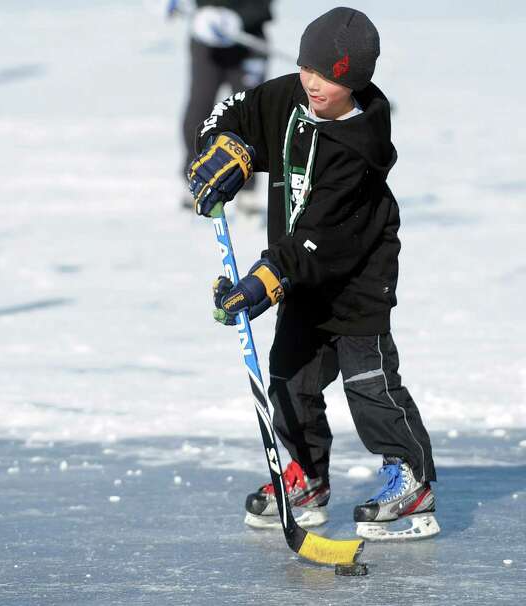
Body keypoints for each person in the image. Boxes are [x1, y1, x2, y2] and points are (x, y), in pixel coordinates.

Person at [186, 7, 439, 540]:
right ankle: (306, 476)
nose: (314, 83)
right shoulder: (290, 97)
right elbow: (231, 112)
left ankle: (411, 479)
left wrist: (262, 283)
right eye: (307, 68)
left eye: (329, 76)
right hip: (299, 273)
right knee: (289, 377)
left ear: (357, 80)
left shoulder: (359, 146)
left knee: (368, 382)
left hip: (357, 277)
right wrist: (224, 146)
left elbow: (319, 235)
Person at [167, 0, 273, 213]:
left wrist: (241, 18)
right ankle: (195, 178)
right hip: (206, 39)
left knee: (251, 114)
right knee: (199, 109)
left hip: (248, 40)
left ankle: (248, 188)